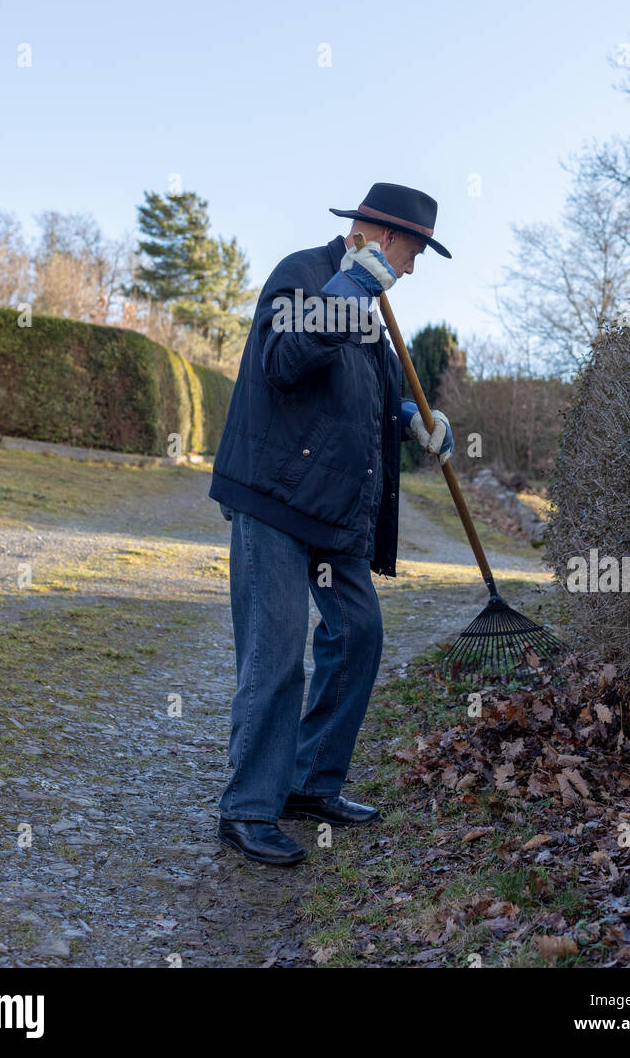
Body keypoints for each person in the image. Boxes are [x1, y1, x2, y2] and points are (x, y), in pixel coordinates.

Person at [208, 183, 454, 865]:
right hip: (274, 497)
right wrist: (345, 293)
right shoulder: (304, 275)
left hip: (333, 510)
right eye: (412, 252)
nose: (410, 270)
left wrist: (413, 421)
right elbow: (282, 361)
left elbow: (376, 393)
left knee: (362, 632)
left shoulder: (374, 310)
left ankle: (311, 784)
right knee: (277, 648)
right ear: (378, 235)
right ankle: (249, 806)